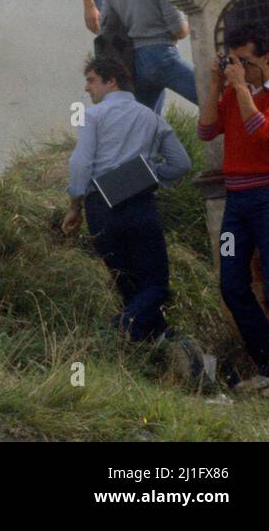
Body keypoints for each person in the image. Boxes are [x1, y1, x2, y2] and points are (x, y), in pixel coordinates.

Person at [62, 55, 193, 344]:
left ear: (112, 81)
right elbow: (181, 163)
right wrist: (151, 174)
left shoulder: (92, 116)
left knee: (126, 283)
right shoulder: (151, 117)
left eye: (92, 80)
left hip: (100, 207)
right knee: (155, 284)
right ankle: (148, 338)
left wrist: (75, 206)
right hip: (139, 203)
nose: (87, 88)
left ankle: (125, 334)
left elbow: (81, 163)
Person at [199, 25, 269, 377]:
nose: (240, 69)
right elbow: (205, 130)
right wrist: (217, 84)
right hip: (237, 204)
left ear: (266, 56)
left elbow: (260, 130)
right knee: (231, 285)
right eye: (234, 62)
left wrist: (240, 88)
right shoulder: (234, 91)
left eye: (245, 61)